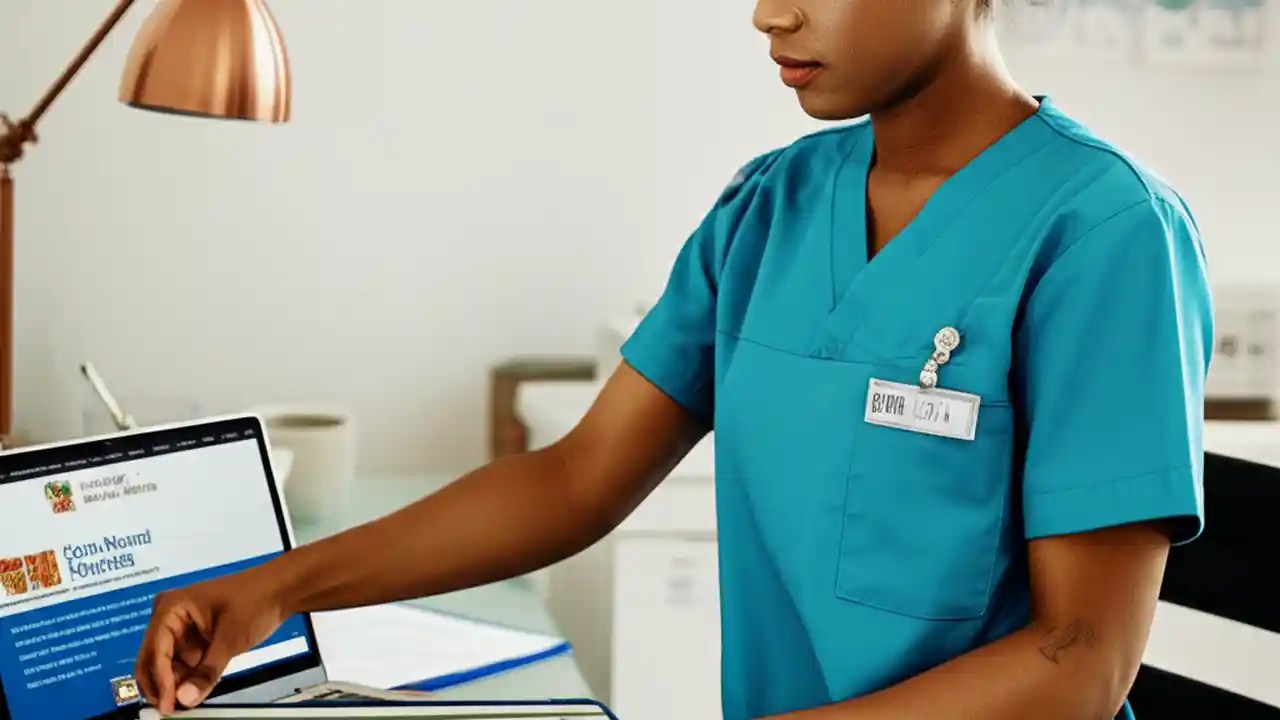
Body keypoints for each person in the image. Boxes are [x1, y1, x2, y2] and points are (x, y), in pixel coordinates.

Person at [135, 0, 1213, 718]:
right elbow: (574, 480)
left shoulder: (1104, 233)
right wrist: (275, 589)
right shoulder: (769, 208)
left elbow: (1080, 661)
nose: (768, 12)